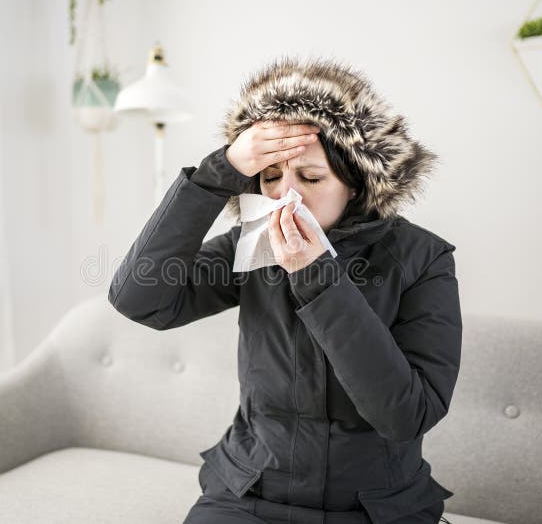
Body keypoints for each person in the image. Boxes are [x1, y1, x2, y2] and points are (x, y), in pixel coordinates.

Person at [108, 55, 461, 524]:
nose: (284, 195)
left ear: (355, 183)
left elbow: (405, 415)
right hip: (248, 492)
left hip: (377, 506)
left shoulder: (422, 259)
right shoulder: (253, 243)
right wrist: (219, 173)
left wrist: (317, 276)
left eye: (311, 178)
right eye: (271, 177)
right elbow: (139, 298)